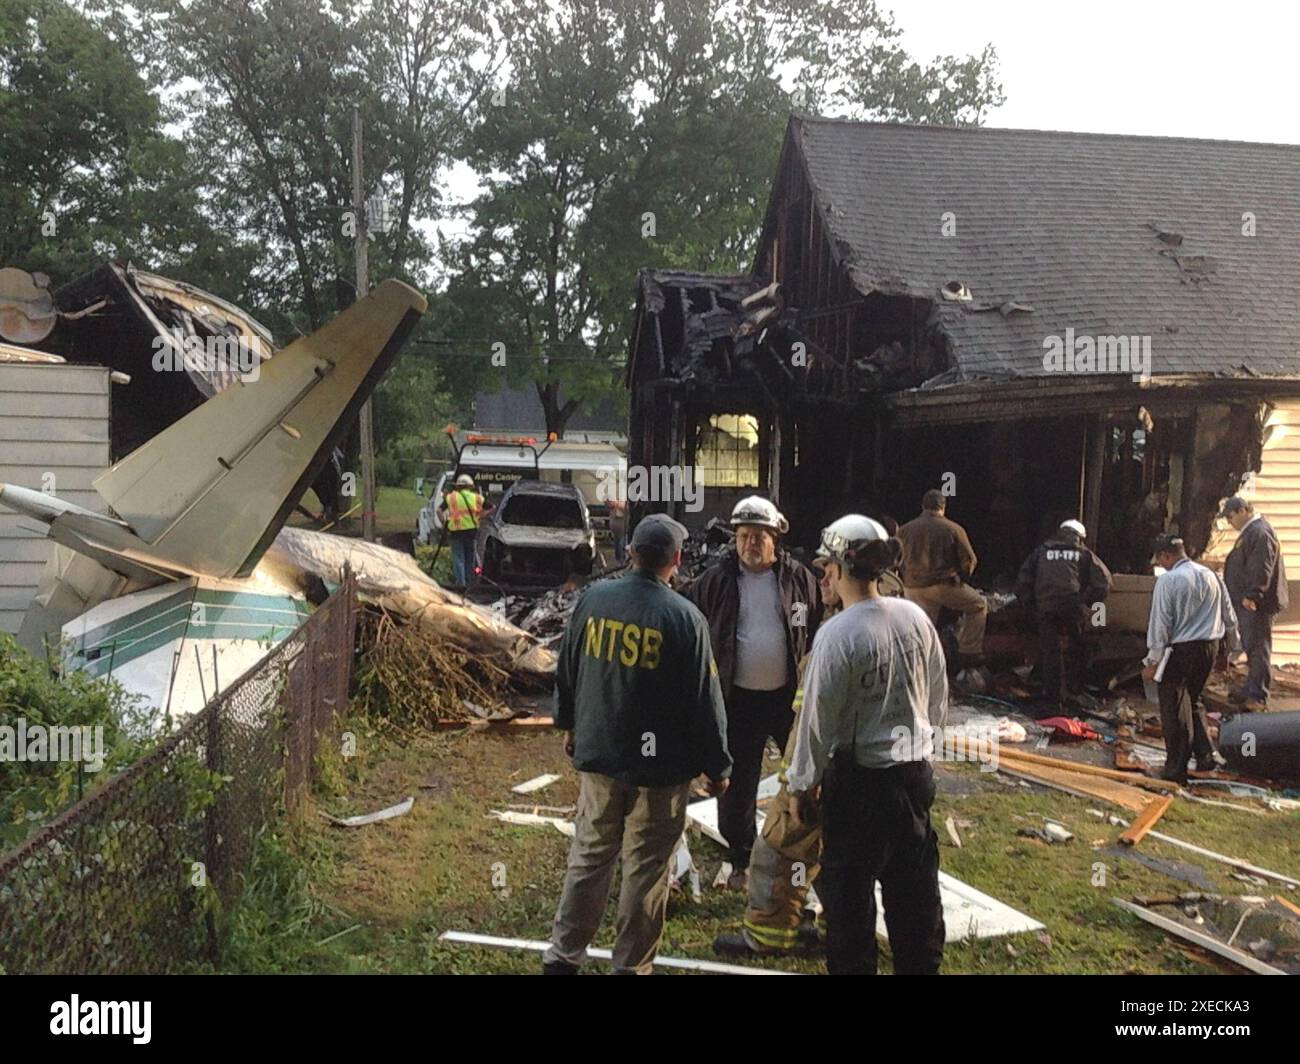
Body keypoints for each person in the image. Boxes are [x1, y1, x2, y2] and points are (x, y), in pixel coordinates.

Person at [543, 514, 731, 975]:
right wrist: (718, 765)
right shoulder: (686, 619)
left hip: (601, 754)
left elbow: (567, 670)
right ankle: (630, 967)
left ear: (630, 552)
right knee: (646, 872)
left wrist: (569, 725)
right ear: (678, 560)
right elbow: (704, 702)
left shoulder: (593, 600)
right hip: (660, 770)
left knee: (590, 855)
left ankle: (563, 956)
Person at [786, 515, 948, 976]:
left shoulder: (837, 636)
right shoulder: (915, 617)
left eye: (826, 568)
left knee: (850, 906)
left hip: (860, 790)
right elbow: (937, 696)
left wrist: (802, 786)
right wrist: (924, 751)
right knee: (915, 900)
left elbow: (818, 724)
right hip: (914, 779)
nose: (822, 577)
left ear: (839, 568)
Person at [683, 495, 821, 891]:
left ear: (775, 539)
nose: (751, 544)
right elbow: (697, 629)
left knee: (803, 773)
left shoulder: (799, 578)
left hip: (786, 699)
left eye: (760, 536)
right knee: (736, 783)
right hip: (737, 699)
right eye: (744, 535)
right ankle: (741, 856)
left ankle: (805, 853)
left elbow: (814, 627)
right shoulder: (716, 580)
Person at [1143, 532, 1236, 783]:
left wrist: (1153, 661)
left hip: (1182, 649)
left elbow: (1160, 625)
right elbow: (1229, 616)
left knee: (1174, 708)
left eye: (1160, 559)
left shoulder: (1168, 581)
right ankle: (1207, 754)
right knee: (1192, 700)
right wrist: (1228, 650)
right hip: (1209, 647)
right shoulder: (1211, 575)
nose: (1160, 564)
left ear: (1166, 556)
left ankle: (1175, 769)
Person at [1015, 519, 1113, 715]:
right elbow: (1104, 582)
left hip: (1047, 608)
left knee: (1051, 653)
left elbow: (1022, 583)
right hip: (1073, 608)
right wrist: (1086, 602)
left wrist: (1034, 605)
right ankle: (1075, 691)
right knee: (1078, 648)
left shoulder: (1041, 551)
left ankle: (1053, 700)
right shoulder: (1083, 554)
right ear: (1079, 537)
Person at [897, 490, 986, 670]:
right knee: (979, 605)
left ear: (922, 506)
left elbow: (895, 559)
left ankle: (919, 667)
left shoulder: (904, 530)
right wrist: (961, 578)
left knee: (923, 628)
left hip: (911, 587)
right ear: (943, 507)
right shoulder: (953, 528)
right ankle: (968, 652)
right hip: (941, 586)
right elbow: (970, 560)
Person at [1222, 496, 1288, 710]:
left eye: (1230, 516)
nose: (1230, 522)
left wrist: (1252, 595)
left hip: (1257, 604)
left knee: (1258, 647)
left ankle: (1258, 695)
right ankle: (1251, 687)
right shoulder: (1251, 532)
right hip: (1248, 602)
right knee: (1251, 646)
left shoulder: (1259, 532)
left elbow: (1262, 568)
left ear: (1243, 511)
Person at [439, 473, 487, 586]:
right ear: (470, 486)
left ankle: (461, 584)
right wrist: (480, 516)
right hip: (471, 532)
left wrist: (445, 525)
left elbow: (439, 511)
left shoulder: (451, 497)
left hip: (455, 531)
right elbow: (492, 507)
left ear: (457, 486)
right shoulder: (477, 497)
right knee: (470, 558)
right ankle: (469, 583)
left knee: (458, 558)